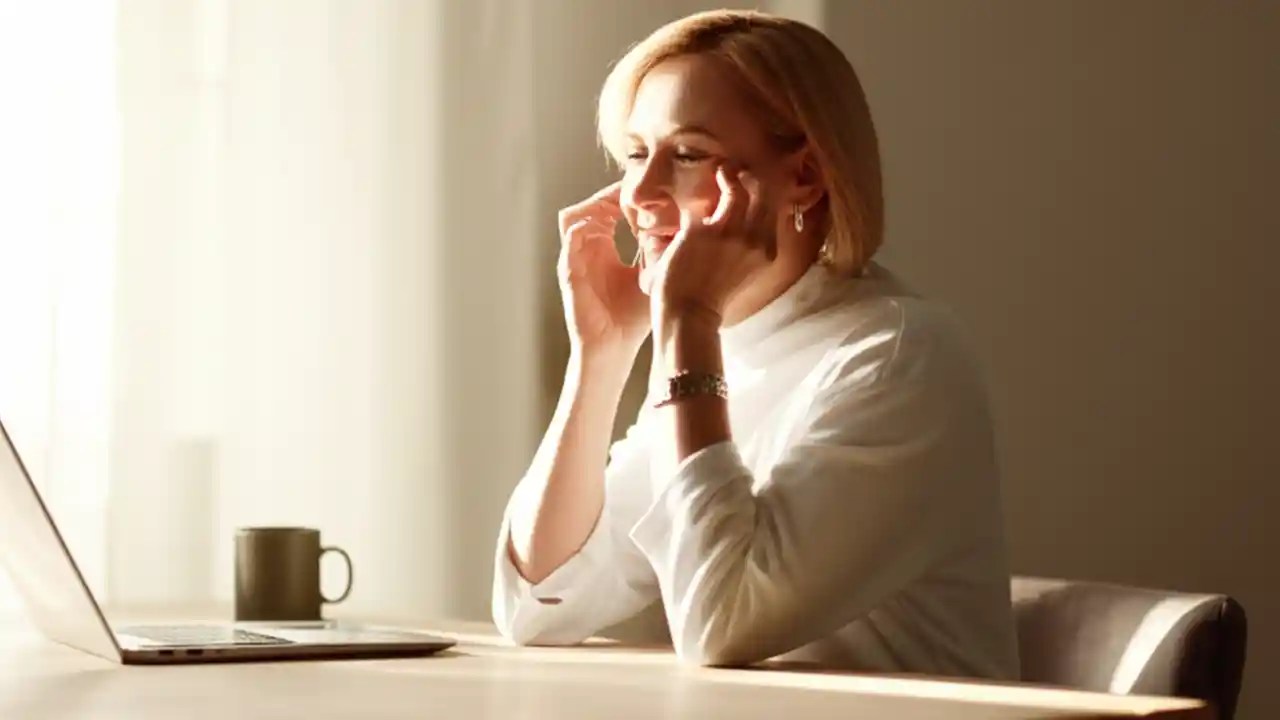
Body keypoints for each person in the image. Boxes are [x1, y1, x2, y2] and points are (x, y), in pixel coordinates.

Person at [491, 9, 1019, 679]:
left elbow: (720, 626)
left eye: (686, 154)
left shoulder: (897, 356)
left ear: (801, 177)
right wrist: (601, 355)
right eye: (635, 153)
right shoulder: (723, 347)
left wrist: (686, 322)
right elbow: (538, 605)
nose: (638, 193)